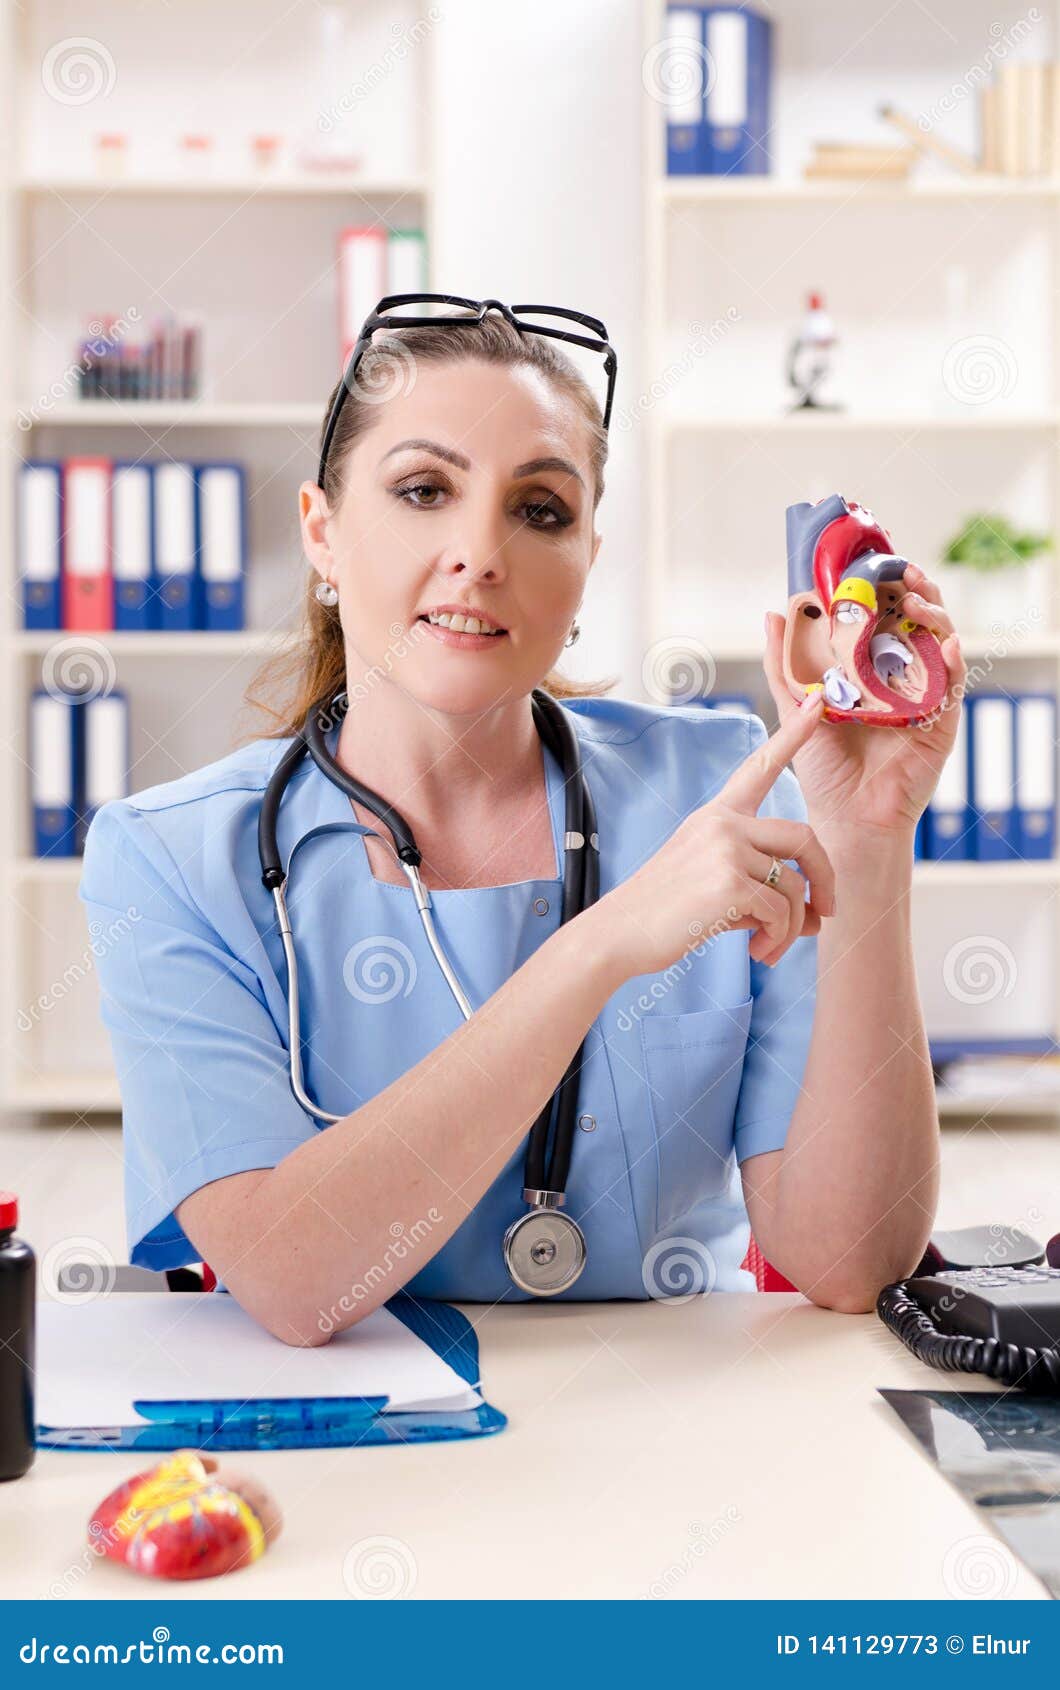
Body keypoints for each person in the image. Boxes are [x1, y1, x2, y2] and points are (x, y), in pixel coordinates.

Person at [79, 305, 965, 1346]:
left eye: (539, 510)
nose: (480, 553)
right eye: (423, 491)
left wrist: (867, 841)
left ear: (587, 556)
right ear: (322, 532)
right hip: (348, 1431)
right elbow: (290, 1281)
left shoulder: (723, 789)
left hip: (678, 1420)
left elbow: (850, 1262)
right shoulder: (168, 858)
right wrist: (602, 944)